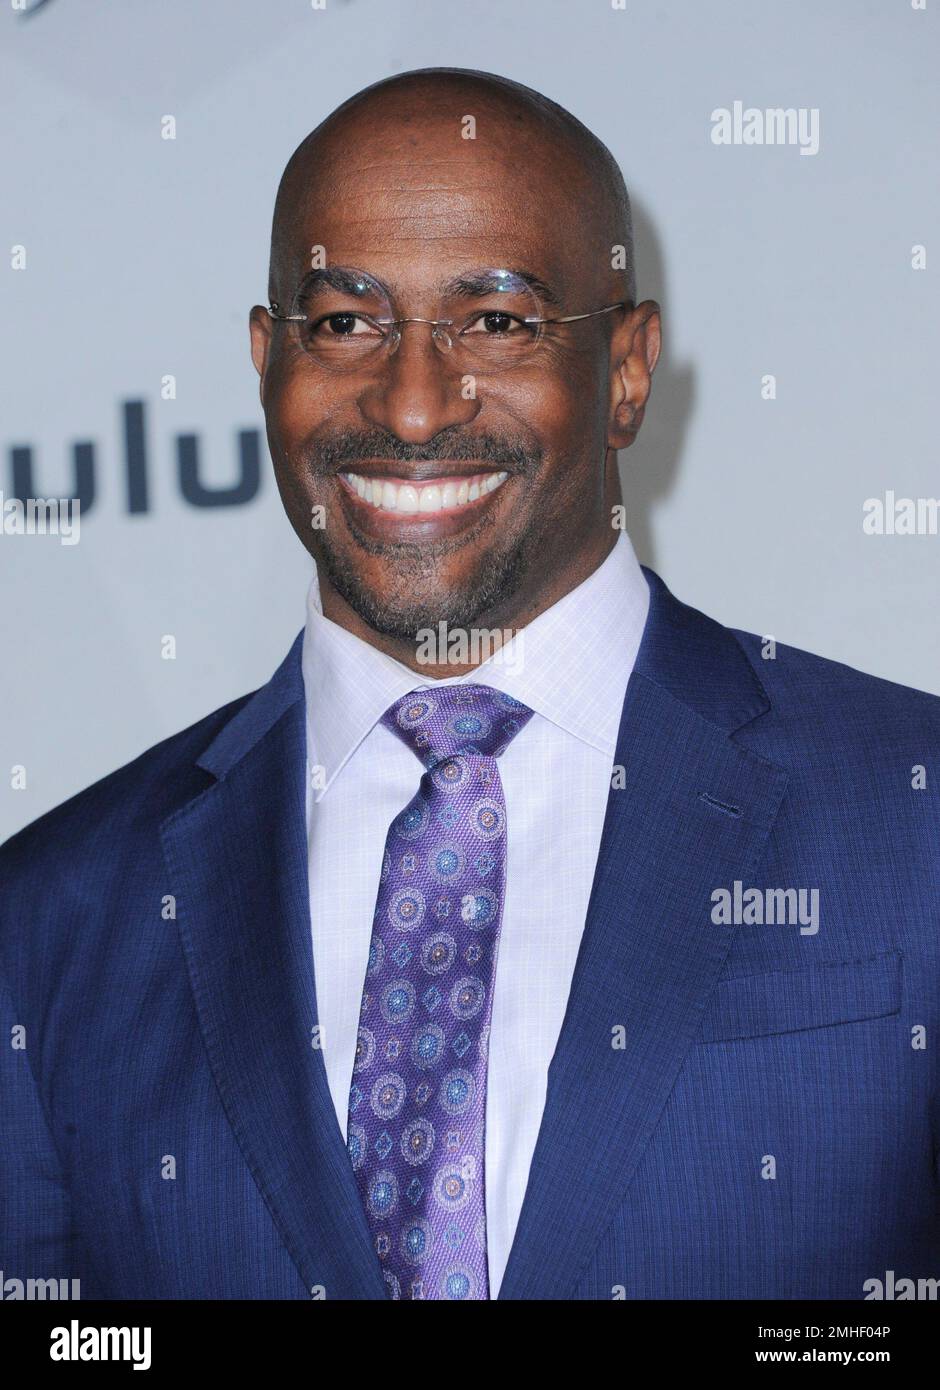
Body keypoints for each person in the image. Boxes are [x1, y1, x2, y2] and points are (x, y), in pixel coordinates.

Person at [1, 68, 937, 1302]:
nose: (411, 399)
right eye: (345, 321)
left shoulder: (910, 817)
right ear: (264, 358)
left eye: (496, 321)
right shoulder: (54, 913)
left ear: (629, 368)